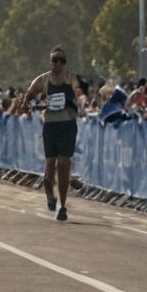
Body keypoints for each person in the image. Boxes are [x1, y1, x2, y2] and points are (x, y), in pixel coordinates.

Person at [30, 47, 85, 221]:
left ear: (65, 62)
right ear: (51, 61)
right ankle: (50, 197)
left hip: (67, 126)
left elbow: (79, 92)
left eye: (61, 60)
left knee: (63, 163)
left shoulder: (70, 79)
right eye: (55, 60)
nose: (58, 63)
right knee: (48, 177)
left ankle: (62, 205)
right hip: (49, 128)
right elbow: (30, 94)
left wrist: (81, 100)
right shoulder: (44, 80)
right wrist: (24, 105)